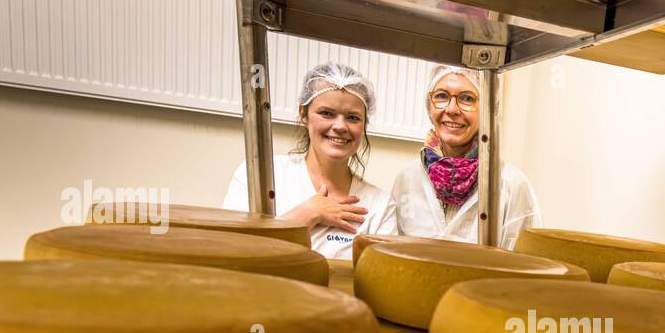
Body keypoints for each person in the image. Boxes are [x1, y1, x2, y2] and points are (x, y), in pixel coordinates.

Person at [223, 62, 396, 259]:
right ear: (303, 114)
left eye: (353, 118)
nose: (340, 126)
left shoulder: (380, 205)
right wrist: (308, 213)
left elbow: (381, 275)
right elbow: (231, 248)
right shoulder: (259, 176)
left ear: (364, 124)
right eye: (326, 113)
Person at [390, 65, 541, 250]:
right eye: (441, 96)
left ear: (486, 109)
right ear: (429, 106)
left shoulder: (511, 184)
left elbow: (525, 266)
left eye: (467, 98)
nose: (452, 109)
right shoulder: (407, 177)